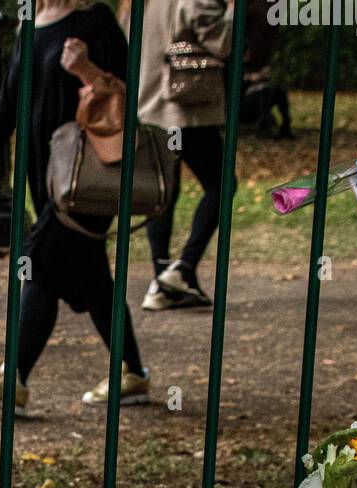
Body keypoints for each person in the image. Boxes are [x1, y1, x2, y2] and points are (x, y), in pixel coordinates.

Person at [0, 0, 150, 413]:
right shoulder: (31, 24)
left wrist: (85, 71)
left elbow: (126, 96)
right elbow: (8, 102)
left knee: (39, 263)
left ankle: (14, 380)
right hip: (45, 180)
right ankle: (133, 374)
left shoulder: (95, 21)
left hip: (88, 179)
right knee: (95, 281)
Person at [130, 0, 232, 310]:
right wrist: (231, 9)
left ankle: (161, 280)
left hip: (149, 109)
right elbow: (225, 43)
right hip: (186, 110)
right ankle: (182, 269)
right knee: (223, 184)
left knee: (166, 194)